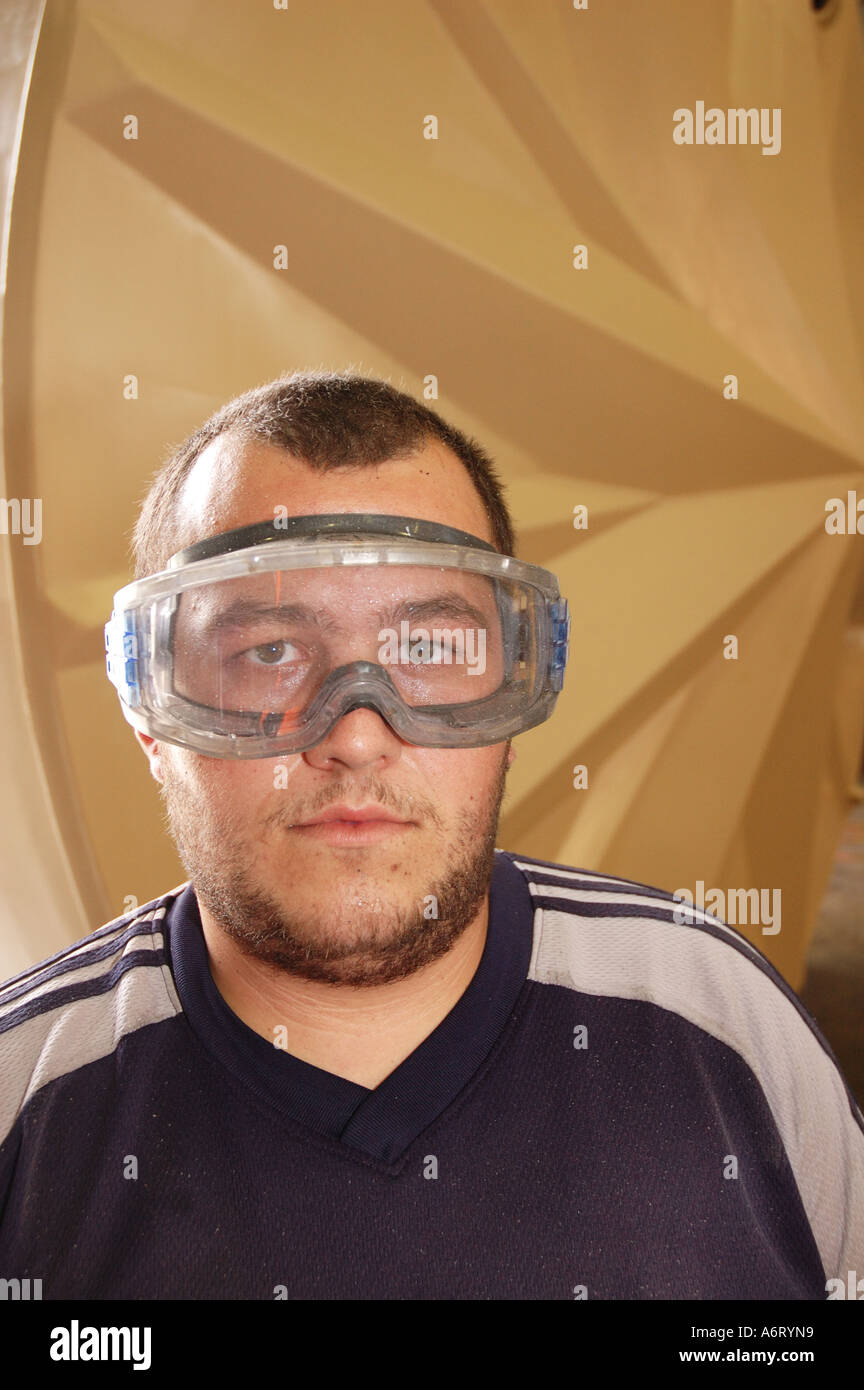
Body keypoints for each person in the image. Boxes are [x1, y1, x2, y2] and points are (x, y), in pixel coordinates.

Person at [0, 371, 862, 1301]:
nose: (358, 732)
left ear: (512, 700)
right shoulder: (22, 1105)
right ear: (152, 715)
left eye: (430, 647)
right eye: (266, 652)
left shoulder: (723, 1025)